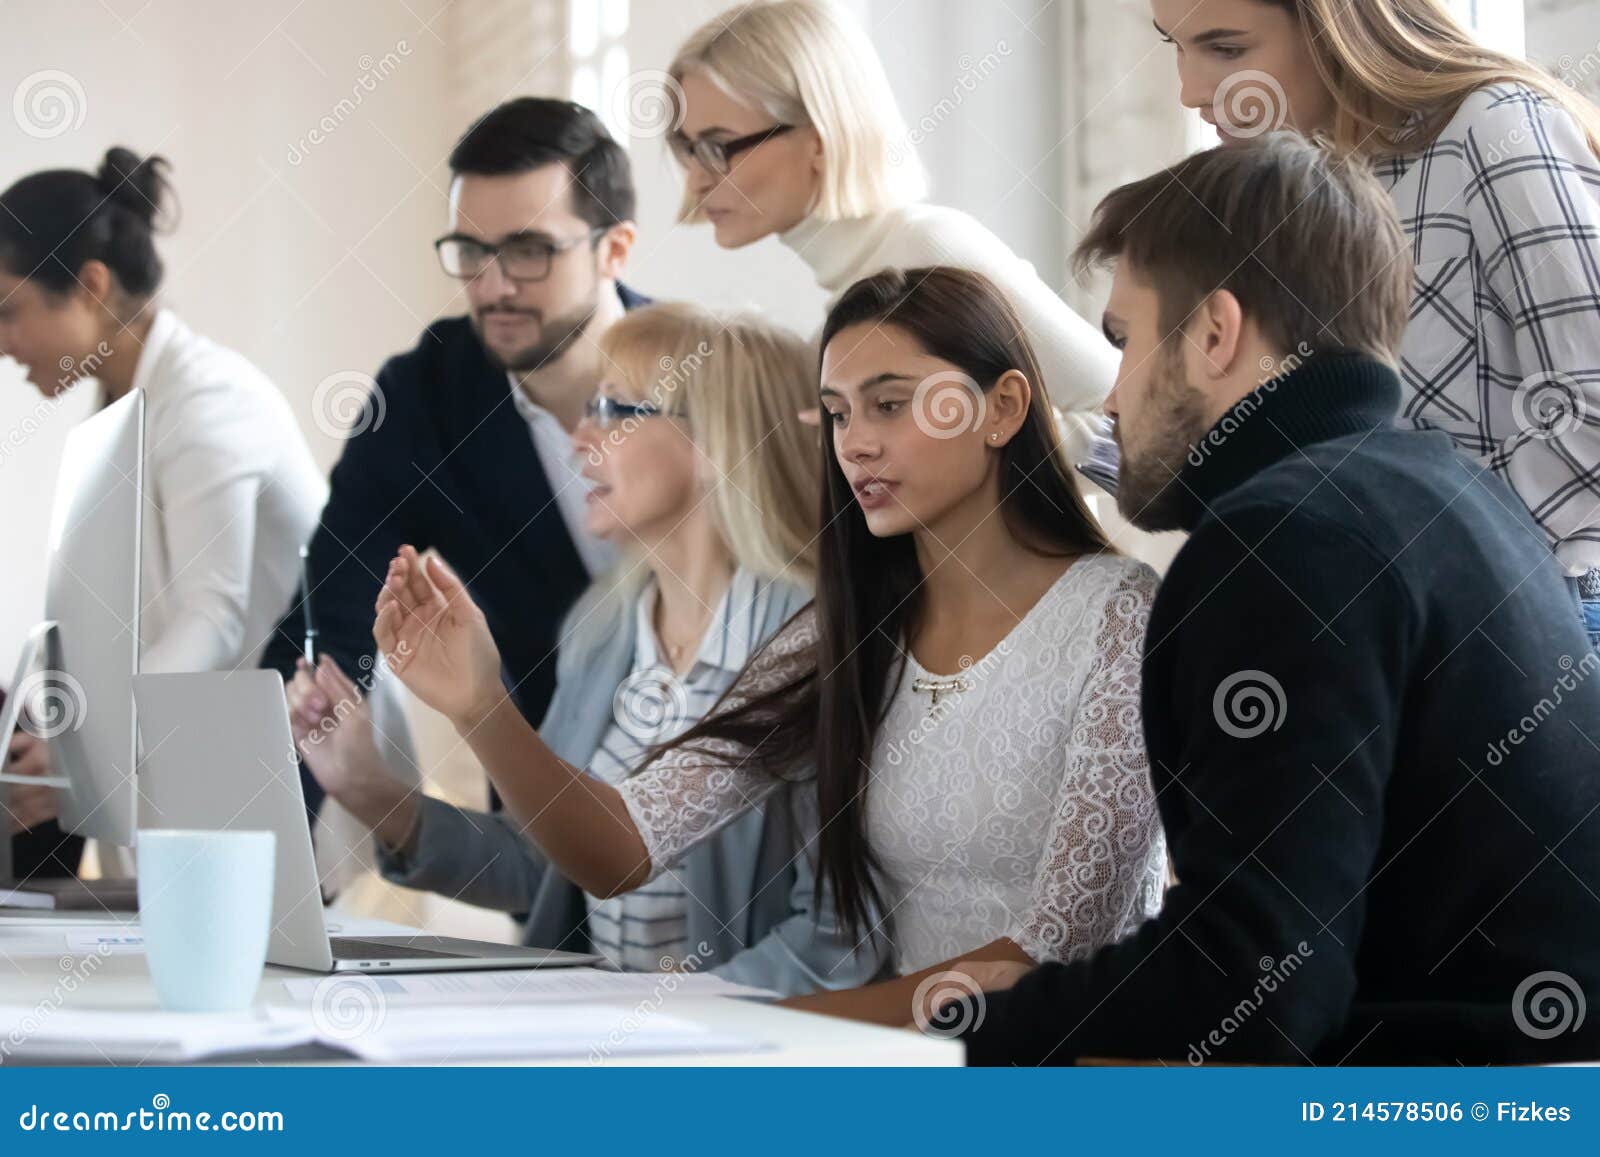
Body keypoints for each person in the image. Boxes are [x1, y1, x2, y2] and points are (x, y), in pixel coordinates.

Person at [944, 134, 1600, 1065]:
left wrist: (942, 1044)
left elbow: (1253, 987)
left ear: (1215, 334)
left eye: (1124, 342)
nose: (1115, 399)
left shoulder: (1289, 538)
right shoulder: (1453, 494)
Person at [369, 265, 1169, 1026]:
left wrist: (765, 1031)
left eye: (890, 404)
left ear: (1002, 408)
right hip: (889, 1069)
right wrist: (480, 705)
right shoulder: (842, 631)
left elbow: (1052, 954)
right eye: (839, 412)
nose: (853, 443)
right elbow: (619, 848)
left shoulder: (1117, 615)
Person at [284, 302, 878, 993]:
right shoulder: (602, 631)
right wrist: (371, 789)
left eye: (618, 410)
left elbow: (835, 945)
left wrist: (652, 1020)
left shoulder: (811, 643)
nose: (578, 438)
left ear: (719, 440)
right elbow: (548, 861)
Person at [1152, 0, 1600, 648]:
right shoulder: (1309, 198)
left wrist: (1457, 570)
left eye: (1226, 49)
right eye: (1174, 46)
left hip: (1530, 629)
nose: (1191, 91)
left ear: (1336, 26)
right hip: (1405, 631)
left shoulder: (1495, 129)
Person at [259, 98, 647, 817]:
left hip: (737, 836)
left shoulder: (711, 381)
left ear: (614, 248)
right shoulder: (423, 397)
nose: (493, 286)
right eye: (471, 252)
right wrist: (257, 848)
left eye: (530, 251)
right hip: (545, 828)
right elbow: (333, 621)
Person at [0, 148, 327, 875]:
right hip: (202, 771)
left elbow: (212, 616)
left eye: (9, 311)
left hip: (295, 766)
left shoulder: (208, 403)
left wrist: (87, 748)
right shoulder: (116, 411)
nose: (2, 344)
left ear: (89, 286)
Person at [664, 0, 1117, 459]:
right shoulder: (840, 313)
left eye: (718, 147)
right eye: (687, 149)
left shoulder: (931, 249)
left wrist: (937, 441)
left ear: (820, 138)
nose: (697, 179)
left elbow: (1135, 440)